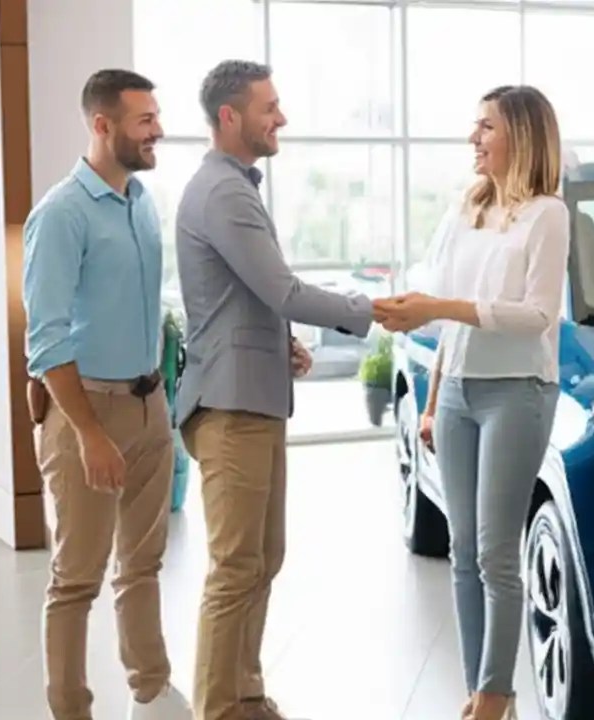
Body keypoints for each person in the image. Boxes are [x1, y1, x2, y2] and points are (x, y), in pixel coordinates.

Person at [172, 59, 386, 720]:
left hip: (252, 398)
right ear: (230, 117)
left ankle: (245, 695)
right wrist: (371, 310)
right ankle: (218, 707)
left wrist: (278, 342)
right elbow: (283, 289)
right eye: (271, 106)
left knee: (262, 558)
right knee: (236, 566)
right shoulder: (225, 191)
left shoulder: (235, 186)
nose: (282, 117)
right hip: (231, 408)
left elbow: (245, 298)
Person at [377, 84, 569, 720]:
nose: (474, 137)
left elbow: (537, 315)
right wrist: (432, 401)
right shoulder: (466, 208)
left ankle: (497, 695)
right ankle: (478, 694)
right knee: (462, 551)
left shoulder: (547, 215)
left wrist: (437, 308)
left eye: (486, 126)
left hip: (518, 394)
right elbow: (448, 318)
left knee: (494, 553)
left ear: (520, 134)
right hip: (457, 392)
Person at [22, 69, 193, 720]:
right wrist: (90, 432)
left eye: (156, 116)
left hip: (151, 404)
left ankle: (150, 692)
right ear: (102, 125)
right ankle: (71, 711)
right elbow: (46, 339)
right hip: (86, 413)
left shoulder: (142, 199)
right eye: (145, 120)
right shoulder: (61, 213)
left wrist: (164, 403)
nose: (158, 130)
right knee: (76, 580)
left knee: (143, 563)